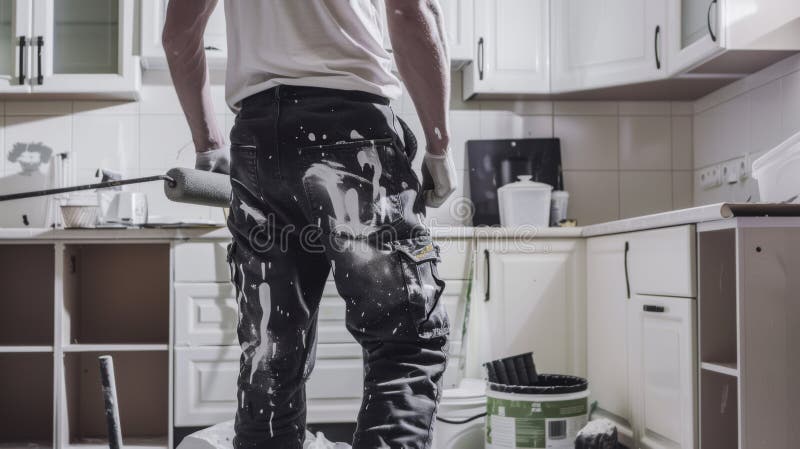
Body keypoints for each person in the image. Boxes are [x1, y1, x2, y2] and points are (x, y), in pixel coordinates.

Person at [162, 1, 458, 448]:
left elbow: (179, 34)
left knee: (270, 357)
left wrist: (209, 146)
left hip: (258, 144)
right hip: (354, 140)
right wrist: (439, 146)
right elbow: (408, 12)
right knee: (406, 343)